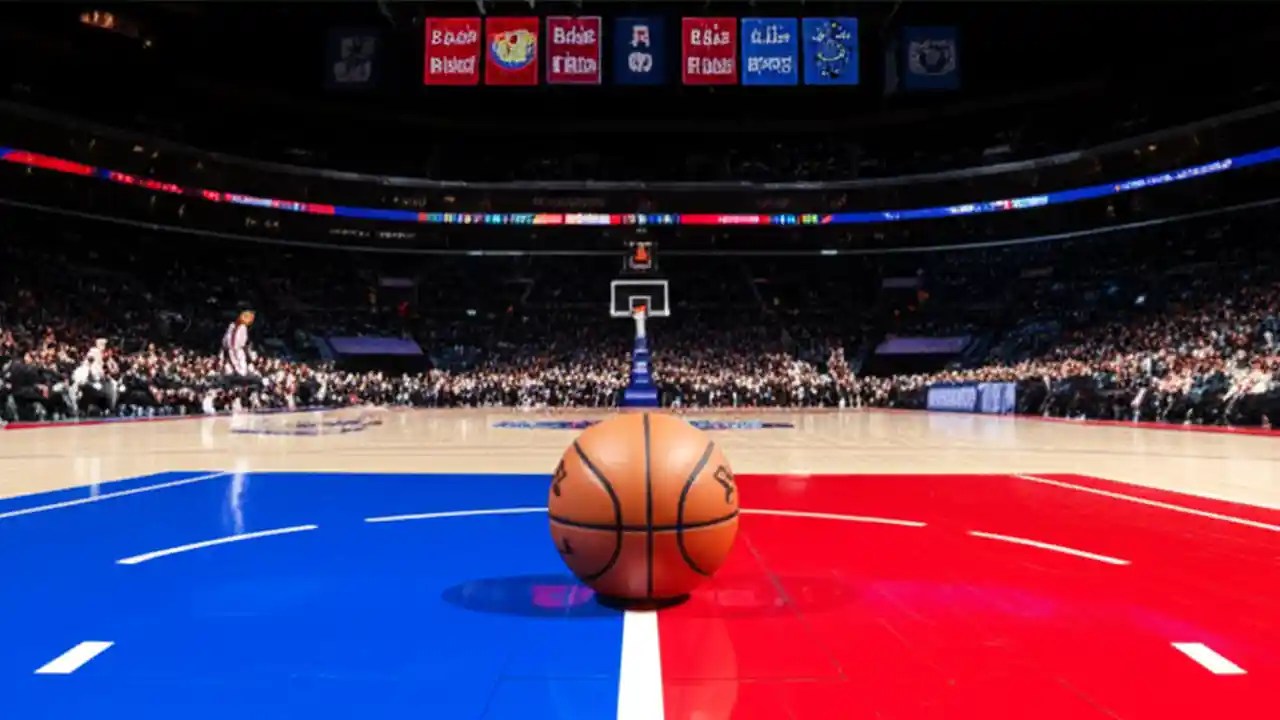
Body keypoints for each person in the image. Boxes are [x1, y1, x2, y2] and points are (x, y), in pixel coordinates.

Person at [222, 310, 256, 378]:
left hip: (233, 350)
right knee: (240, 371)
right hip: (236, 350)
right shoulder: (239, 327)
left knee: (237, 370)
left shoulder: (232, 326)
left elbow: (225, 342)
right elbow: (243, 345)